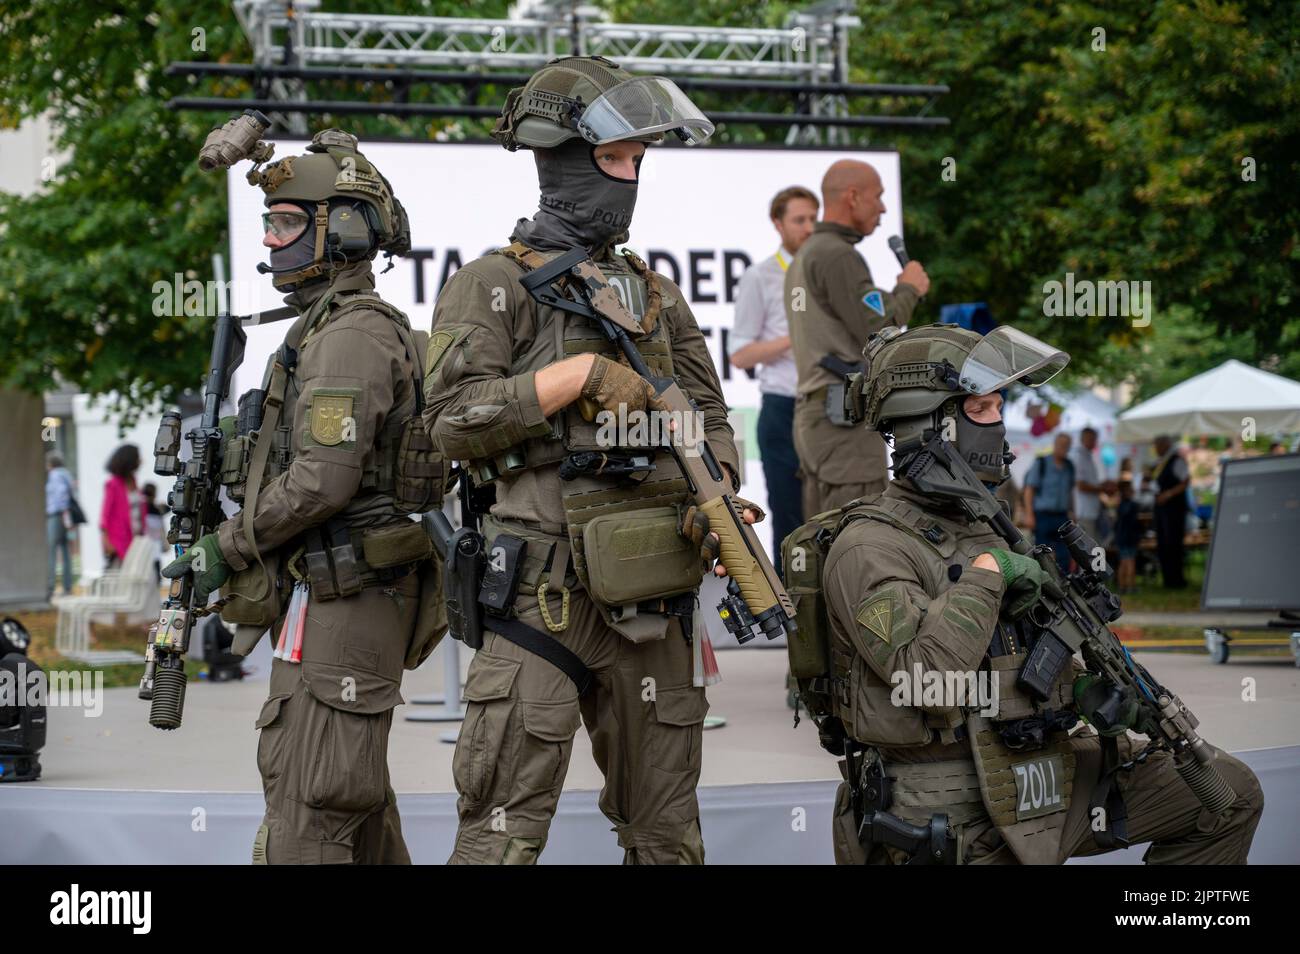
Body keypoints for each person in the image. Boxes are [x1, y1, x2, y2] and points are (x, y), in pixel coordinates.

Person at [423, 56, 754, 864]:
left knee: (668, 836)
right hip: (542, 602)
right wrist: (570, 379)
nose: (631, 177)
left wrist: (718, 493)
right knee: (499, 835)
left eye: (640, 159)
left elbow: (709, 414)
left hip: (655, 595)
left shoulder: (656, 295)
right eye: (617, 158)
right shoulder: (491, 285)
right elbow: (448, 424)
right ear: (564, 156)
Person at [819, 323, 1262, 864]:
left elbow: (1020, 658)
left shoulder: (987, 526)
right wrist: (988, 573)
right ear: (928, 426)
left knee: (1228, 793)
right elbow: (927, 681)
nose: (1000, 427)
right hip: (953, 804)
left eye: (1000, 408)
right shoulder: (868, 546)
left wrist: (1084, 696)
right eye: (981, 410)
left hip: (1042, 771)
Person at [163, 127, 443, 864]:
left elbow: (323, 480)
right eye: (270, 223)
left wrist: (224, 548)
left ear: (343, 229)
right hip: (327, 590)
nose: (272, 237)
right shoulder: (321, 330)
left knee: (310, 815)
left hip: (350, 593)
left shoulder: (349, 337)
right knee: (351, 808)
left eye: (288, 222)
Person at [786, 159, 929, 517]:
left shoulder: (811, 253)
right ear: (853, 197)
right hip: (843, 421)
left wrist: (896, 292)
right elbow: (880, 327)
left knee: (826, 536)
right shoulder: (837, 255)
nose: (882, 207)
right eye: (878, 197)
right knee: (859, 529)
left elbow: (863, 309)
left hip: (823, 417)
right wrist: (910, 289)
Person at [730, 185, 818, 577]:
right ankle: (794, 611)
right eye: (800, 220)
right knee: (790, 515)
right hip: (784, 408)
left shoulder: (826, 273)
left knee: (834, 511)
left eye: (814, 218)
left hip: (828, 408)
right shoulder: (760, 276)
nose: (809, 227)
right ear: (778, 224)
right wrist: (795, 337)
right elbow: (740, 354)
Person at [1022, 432, 1075, 573]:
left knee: (1065, 554)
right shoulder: (1042, 463)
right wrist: (1029, 514)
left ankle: (1064, 585)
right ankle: (1042, 584)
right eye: (1061, 445)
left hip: (1062, 516)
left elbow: (1070, 492)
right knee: (1042, 553)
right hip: (1042, 515)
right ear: (1055, 445)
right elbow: (1029, 490)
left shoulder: (1069, 466)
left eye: (1067, 446)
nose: (1064, 448)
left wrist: (1072, 513)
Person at [1149, 434, 1190, 589]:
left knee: (1174, 543)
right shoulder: (1160, 463)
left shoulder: (1176, 460)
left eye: (1157, 445)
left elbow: (1185, 481)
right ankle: (1168, 579)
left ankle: (1177, 580)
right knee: (1164, 543)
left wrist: (1169, 494)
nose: (1156, 449)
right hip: (1161, 509)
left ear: (1165, 445)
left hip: (1174, 509)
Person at [100, 444, 146, 570]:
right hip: (119, 541)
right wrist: (106, 542)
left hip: (136, 539)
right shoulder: (113, 484)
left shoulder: (134, 481)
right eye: (138, 457)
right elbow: (105, 515)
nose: (141, 461)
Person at [45, 452, 78, 598]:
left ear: (50, 464)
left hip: (56, 515)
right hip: (66, 516)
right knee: (66, 551)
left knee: (51, 550)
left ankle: (50, 586)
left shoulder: (55, 475)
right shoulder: (66, 474)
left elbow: (60, 495)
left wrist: (61, 511)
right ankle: (67, 586)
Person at [1071, 426, 1107, 543]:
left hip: (1091, 510)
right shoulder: (1079, 456)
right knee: (1090, 548)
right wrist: (1103, 488)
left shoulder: (1088, 455)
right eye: (1091, 439)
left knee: (1095, 546)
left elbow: (1089, 482)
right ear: (1083, 439)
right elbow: (1081, 485)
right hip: (1084, 511)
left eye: (1094, 439)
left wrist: (1103, 485)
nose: (1093, 442)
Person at [1114, 479, 1140, 594]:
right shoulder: (1133, 505)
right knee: (1130, 562)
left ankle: (1122, 586)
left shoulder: (1119, 506)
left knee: (1123, 562)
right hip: (1130, 537)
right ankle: (1131, 586)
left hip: (1121, 537)